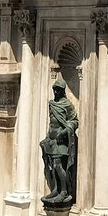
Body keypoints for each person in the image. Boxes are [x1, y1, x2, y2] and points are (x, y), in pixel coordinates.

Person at [40, 76, 79, 207]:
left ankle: (64, 191)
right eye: (54, 89)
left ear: (63, 91)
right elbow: (51, 124)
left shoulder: (67, 105)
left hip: (61, 140)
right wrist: (46, 138)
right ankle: (55, 189)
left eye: (58, 90)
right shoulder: (51, 104)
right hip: (51, 140)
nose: (55, 92)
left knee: (58, 165)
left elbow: (74, 121)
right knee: (51, 166)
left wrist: (64, 131)